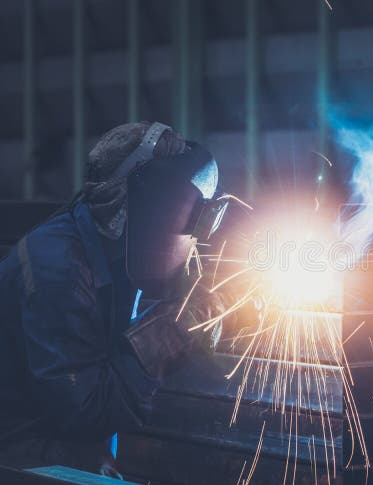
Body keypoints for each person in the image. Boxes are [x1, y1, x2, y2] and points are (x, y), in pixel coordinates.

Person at [0, 122, 229, 476]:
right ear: (151, 209)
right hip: (20, 456)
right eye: (189, 221)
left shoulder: (110, 247)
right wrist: (168, 333)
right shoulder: (60, 270)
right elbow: (82, 411)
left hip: (63, 443)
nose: (194, 237)